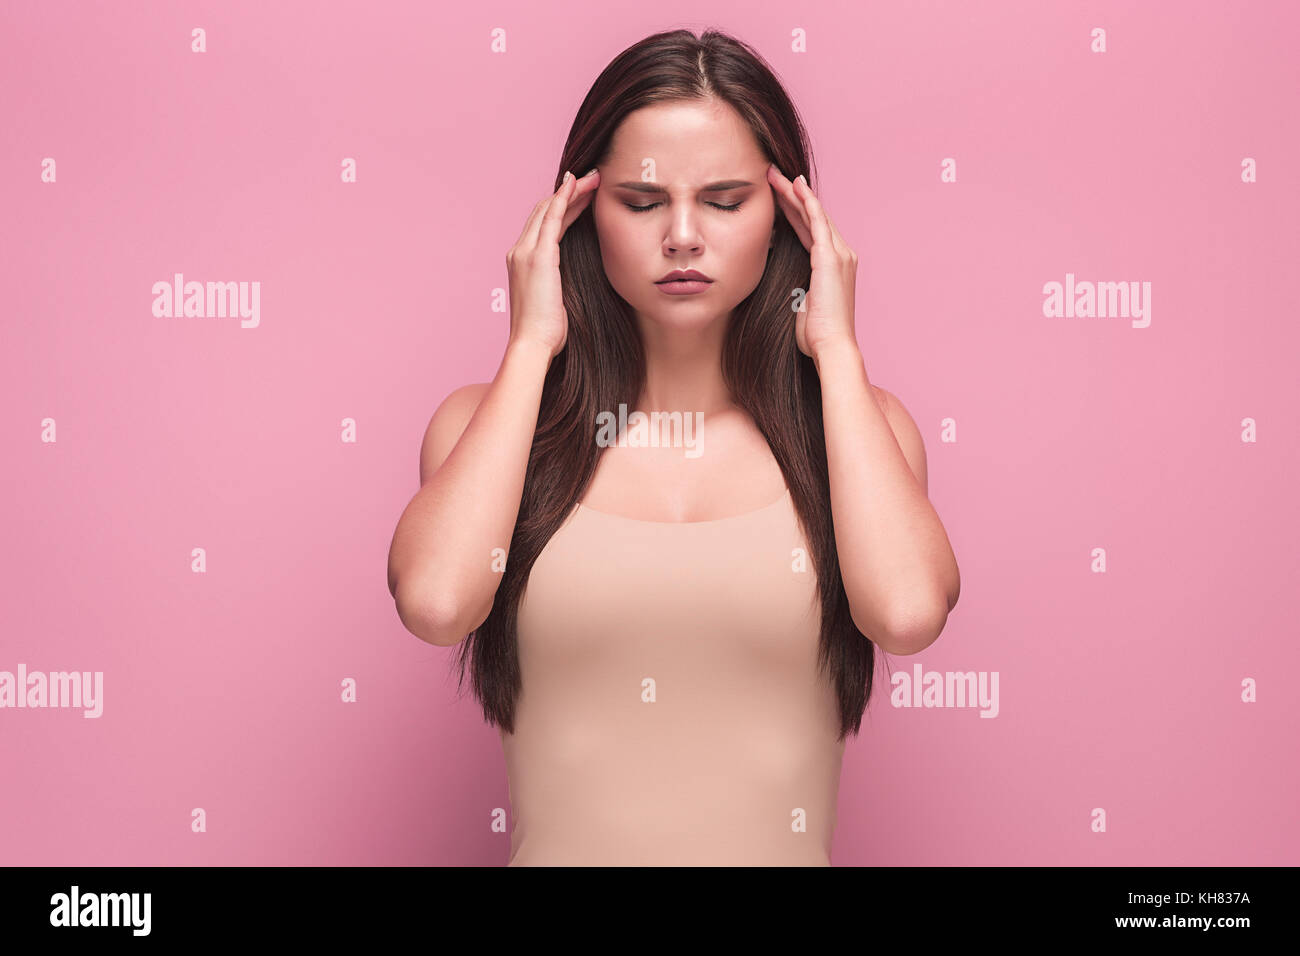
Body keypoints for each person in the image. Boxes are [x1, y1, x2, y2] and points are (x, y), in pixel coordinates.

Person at [386, 28, 961, 865]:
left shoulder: (858, 429)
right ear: (576, 214)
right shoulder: (485, 427)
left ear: (790, 217)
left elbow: (907, 617)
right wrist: (529, 346)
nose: (684, 236)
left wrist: (837, 351)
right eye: (644, 201)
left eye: (725, 200)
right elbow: (436, 605)